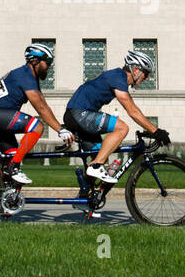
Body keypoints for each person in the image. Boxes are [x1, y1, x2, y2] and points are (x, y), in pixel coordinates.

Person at [63, 49, 168, 184]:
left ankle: (86, 194)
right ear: (136, 70)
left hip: (76, 114)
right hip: (79, 114)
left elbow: (133, 108)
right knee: (122, 128)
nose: (147, 78)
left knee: (101, 154)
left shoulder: (117, 77)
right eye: (146, 73)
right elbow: (132, 111)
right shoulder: (118, 77)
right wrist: (156, 131)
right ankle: (96, 166)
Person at [0, 43, 74, 187]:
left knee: (11, 157)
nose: (49, 66)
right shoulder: (25, 75)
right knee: (37, 127)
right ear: (35, 61)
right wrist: (60, 130)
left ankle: (0, 203)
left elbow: (43, 103)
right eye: (47, 62)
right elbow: (41, 108)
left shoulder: (28, 76)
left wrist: (62, 127)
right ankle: (13, 167)